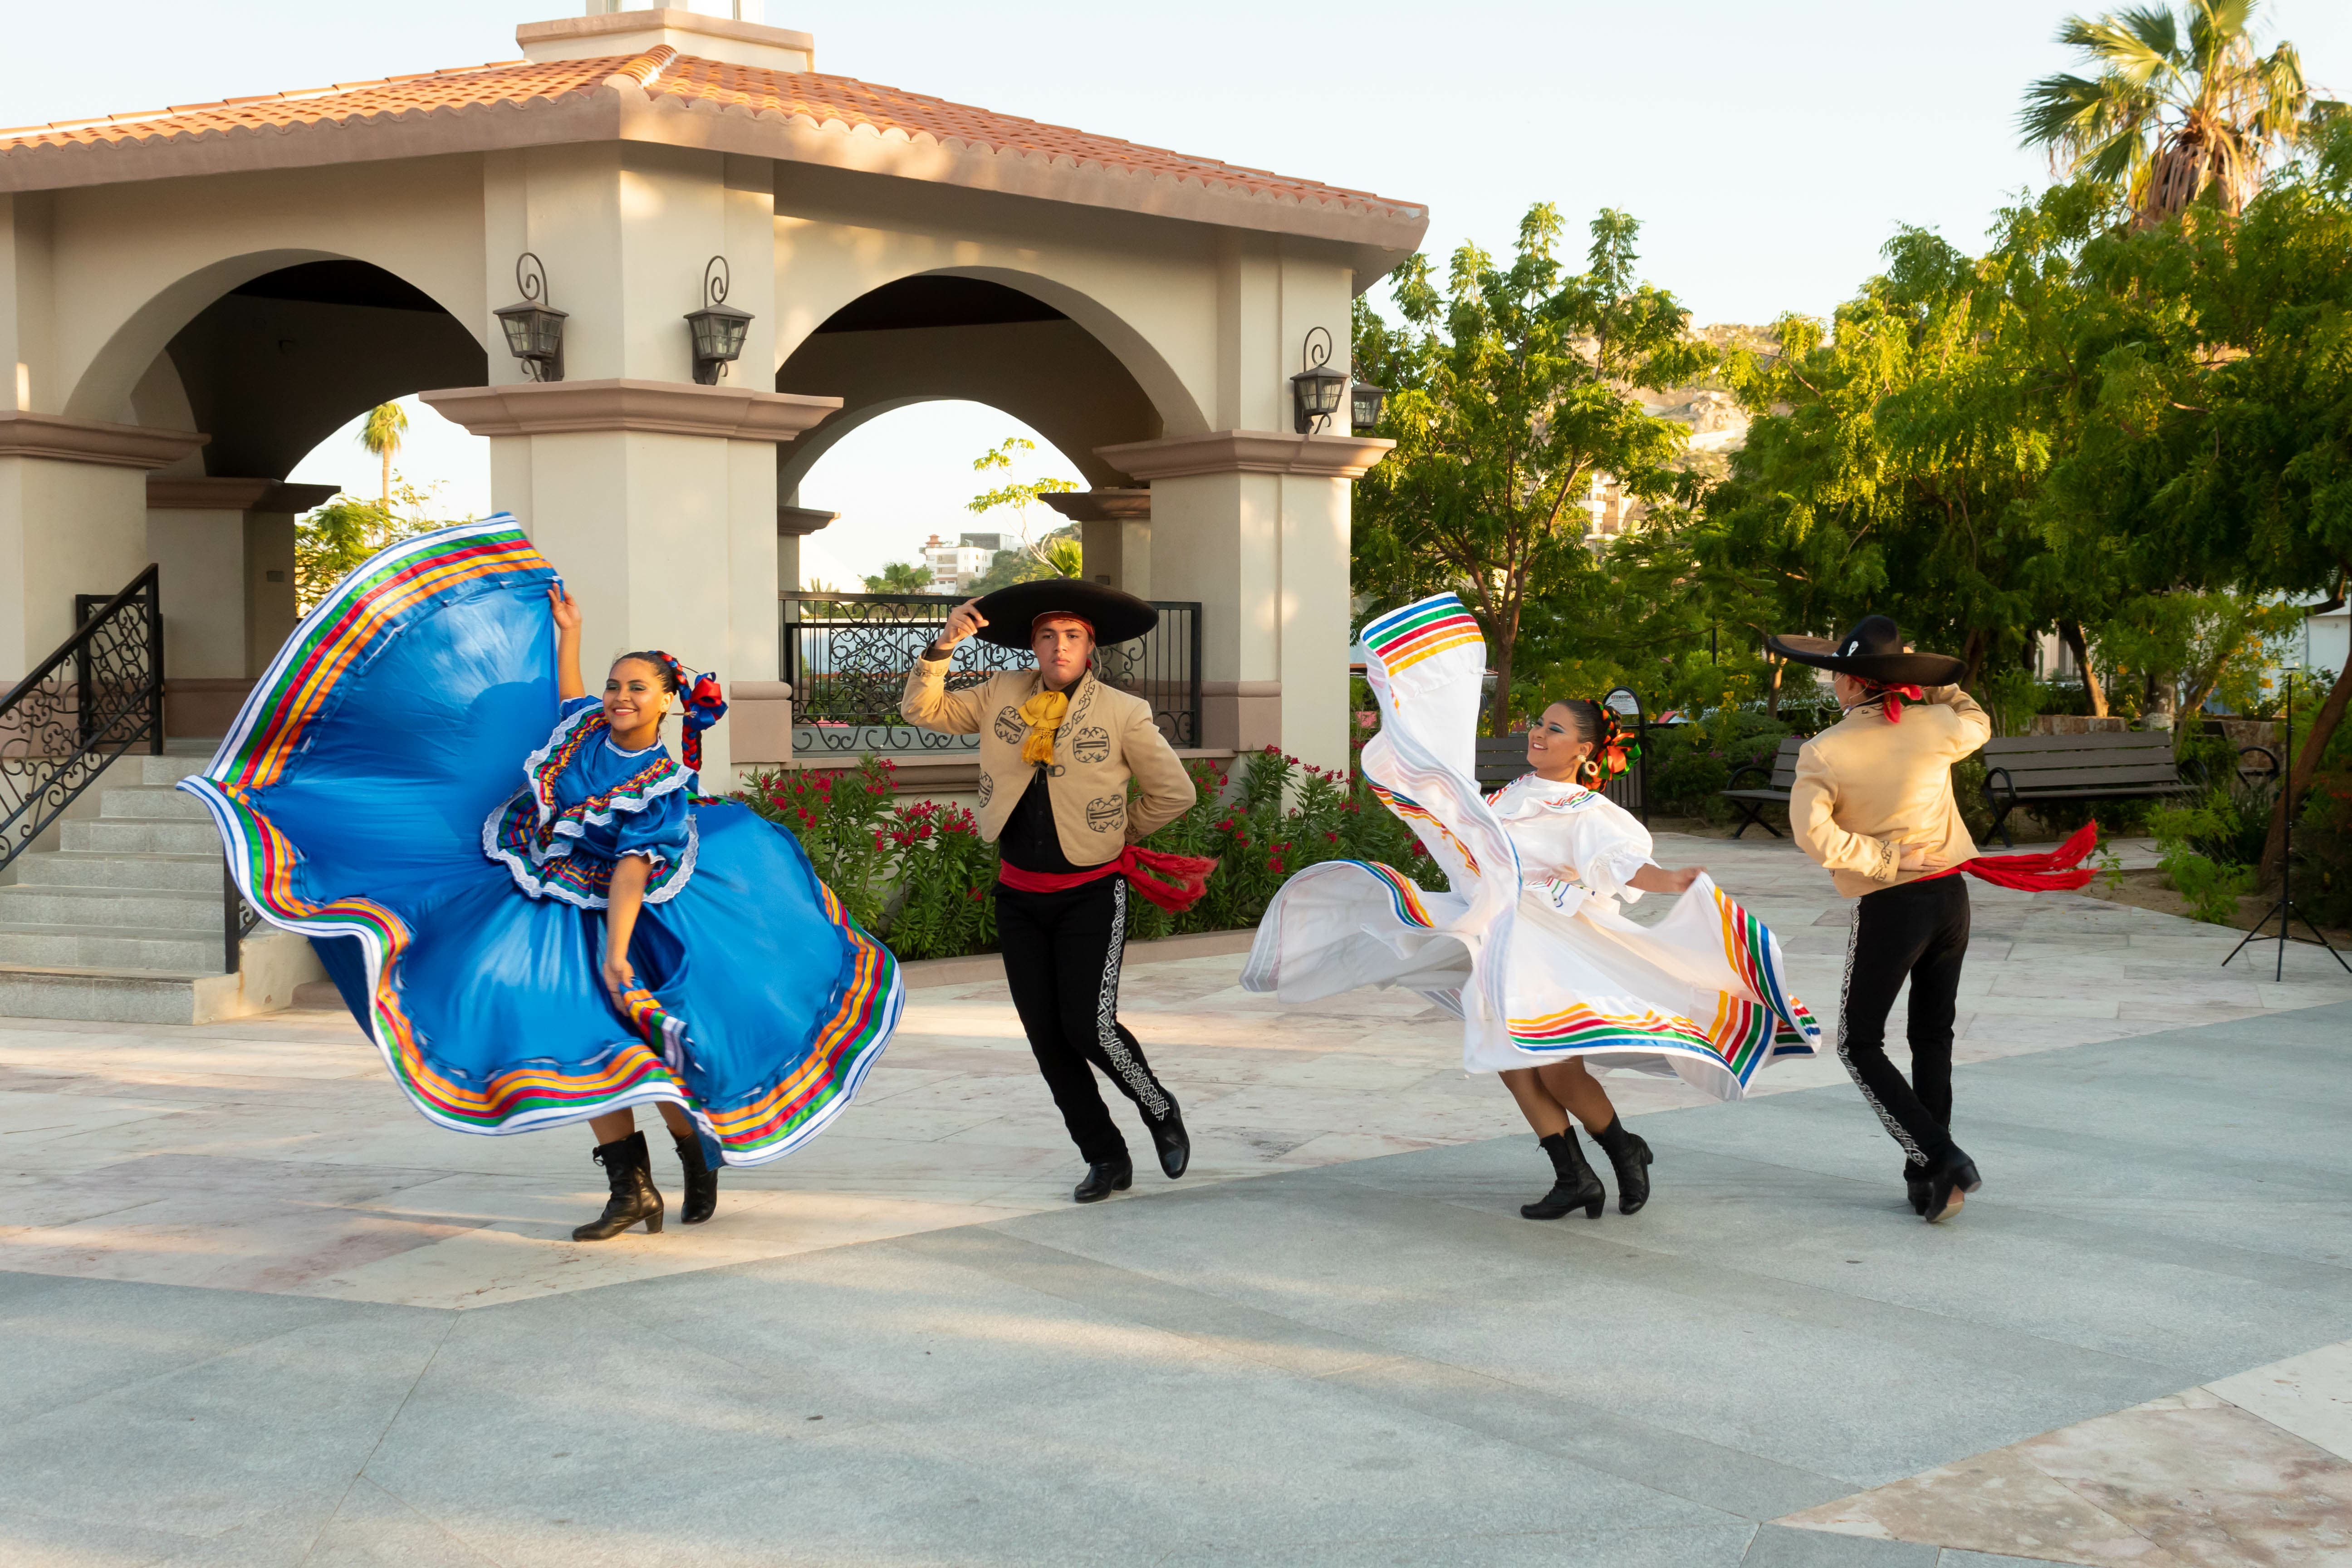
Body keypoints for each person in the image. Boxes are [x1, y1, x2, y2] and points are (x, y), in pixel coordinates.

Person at [179, 517, 902, 1243]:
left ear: (665, 702)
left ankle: (696, 1150)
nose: (620, 697)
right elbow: (567, 700)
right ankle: (632, 1191)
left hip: (633, 919)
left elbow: (629, 869)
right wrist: (570, 633)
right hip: (555, 895)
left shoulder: (660, 780)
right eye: (617, 685)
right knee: (585, 1041)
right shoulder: (585, 729)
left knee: (656, 1054)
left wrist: (618, 956)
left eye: (638, 689)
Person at [1244, 593, 1822, 1220]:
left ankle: (1624, 1149)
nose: (1536, 733)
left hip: (1546, 948)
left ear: (1583, 750)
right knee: (1510, 1058)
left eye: (1553, 729)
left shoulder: (1587, 811)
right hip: (1498, 937)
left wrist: (1671, 880)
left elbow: (1625, 865)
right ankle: (1572, 1174)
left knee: (1557, 1070)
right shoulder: (1513, 791)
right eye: (1537, 723)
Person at [900, 578, 1210, 1203]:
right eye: (1048, 636)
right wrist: (943, 647)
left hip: (1091, 892)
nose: (1059, 646)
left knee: (1088, 1029)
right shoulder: (999, 693)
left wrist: (1117, 830)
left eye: (1072, 636)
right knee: (1047, 1039)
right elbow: (923, 711)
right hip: (1019, 894)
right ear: (1034, 647)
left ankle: (1158, 1107)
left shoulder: (1124, 712)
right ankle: (1105, 1157)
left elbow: (1175, 793)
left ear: (1090, 646)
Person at [1769, 616, 1994, 1224]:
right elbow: (1978, 720)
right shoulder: (1940, 725)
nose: (1832, 687)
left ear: (1852, 685)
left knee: (1859, 1044)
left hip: (1895, 903)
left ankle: (1942, 1157)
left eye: (1838, 677)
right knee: (1932, 1037)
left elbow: (1811, 835)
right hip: (1951, 898)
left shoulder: (1827, 749)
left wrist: (1887, 857)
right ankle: (1929, 1178)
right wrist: (1935, 682)